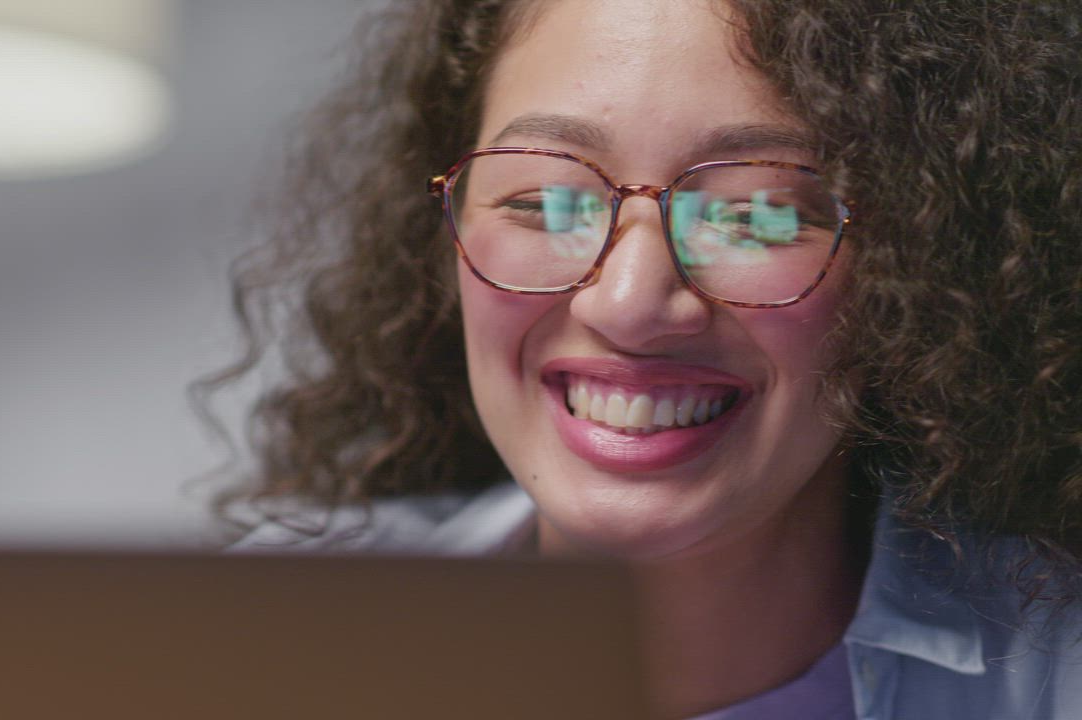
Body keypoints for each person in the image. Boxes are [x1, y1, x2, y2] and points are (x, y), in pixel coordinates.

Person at [199, 0, 1082, 717]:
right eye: (545, 200)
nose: (629, 304)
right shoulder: (248, 647)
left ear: (923, 266)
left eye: (758, 214)